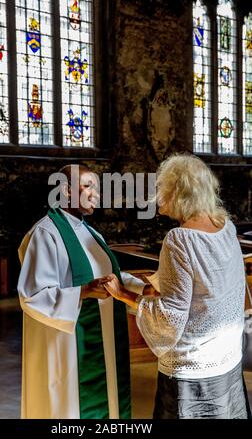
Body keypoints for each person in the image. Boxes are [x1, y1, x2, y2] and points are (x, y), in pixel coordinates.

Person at [105, 153, 252, 419]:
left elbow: (170, 317)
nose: (158, 193)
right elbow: (211, 282)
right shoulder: (225, 226)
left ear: (178, 192)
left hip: (194, 370)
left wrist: (123, 294)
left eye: (162, 187)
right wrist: (158, 284)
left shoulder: (179, 239)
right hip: (228, 358)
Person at [17, 164, 154, 419]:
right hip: (68, 346)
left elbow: (107, 274)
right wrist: (83, 292)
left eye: (97, 188)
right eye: (88, 186)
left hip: (104, 337)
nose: (96, 195)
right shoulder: (45, 233)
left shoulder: (91, 232)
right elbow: (32, 296)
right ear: (67, 191)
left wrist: (140, 286)